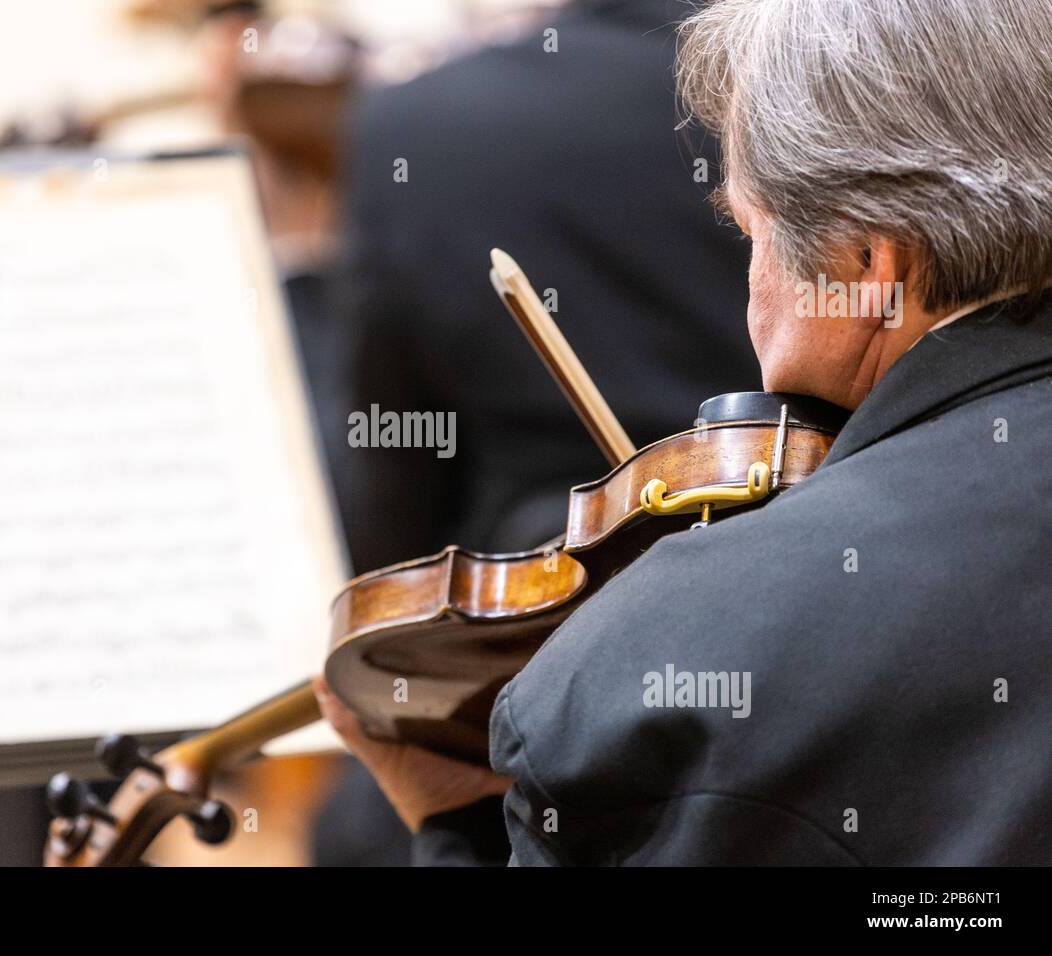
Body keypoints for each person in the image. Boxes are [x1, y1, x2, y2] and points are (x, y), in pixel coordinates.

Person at [318, 0, 1052, 865]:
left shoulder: (658, 674)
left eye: (750, 233)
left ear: (868, 267)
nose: (753, 279)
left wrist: (453, 824)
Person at [313, 0, 760, 865]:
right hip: (823, 629)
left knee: (357, 834)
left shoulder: (425, 121)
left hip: (538, 664)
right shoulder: (827, 90)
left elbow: (394, 484)